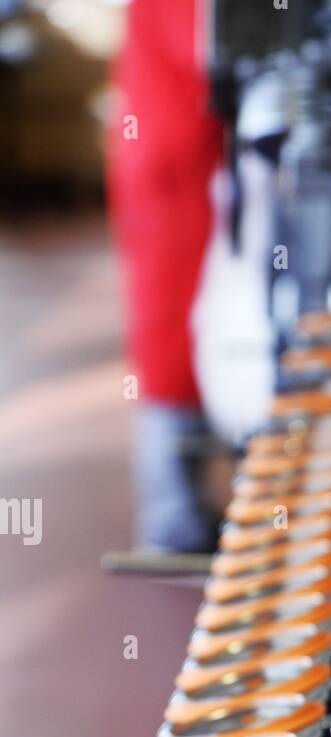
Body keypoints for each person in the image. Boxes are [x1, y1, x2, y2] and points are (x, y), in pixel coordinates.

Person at [107, 0, 224, 551]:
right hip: (174, 165)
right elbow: (212, 55)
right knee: (170, 343)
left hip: (177, 156)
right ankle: (171, 522)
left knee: (173, 334)